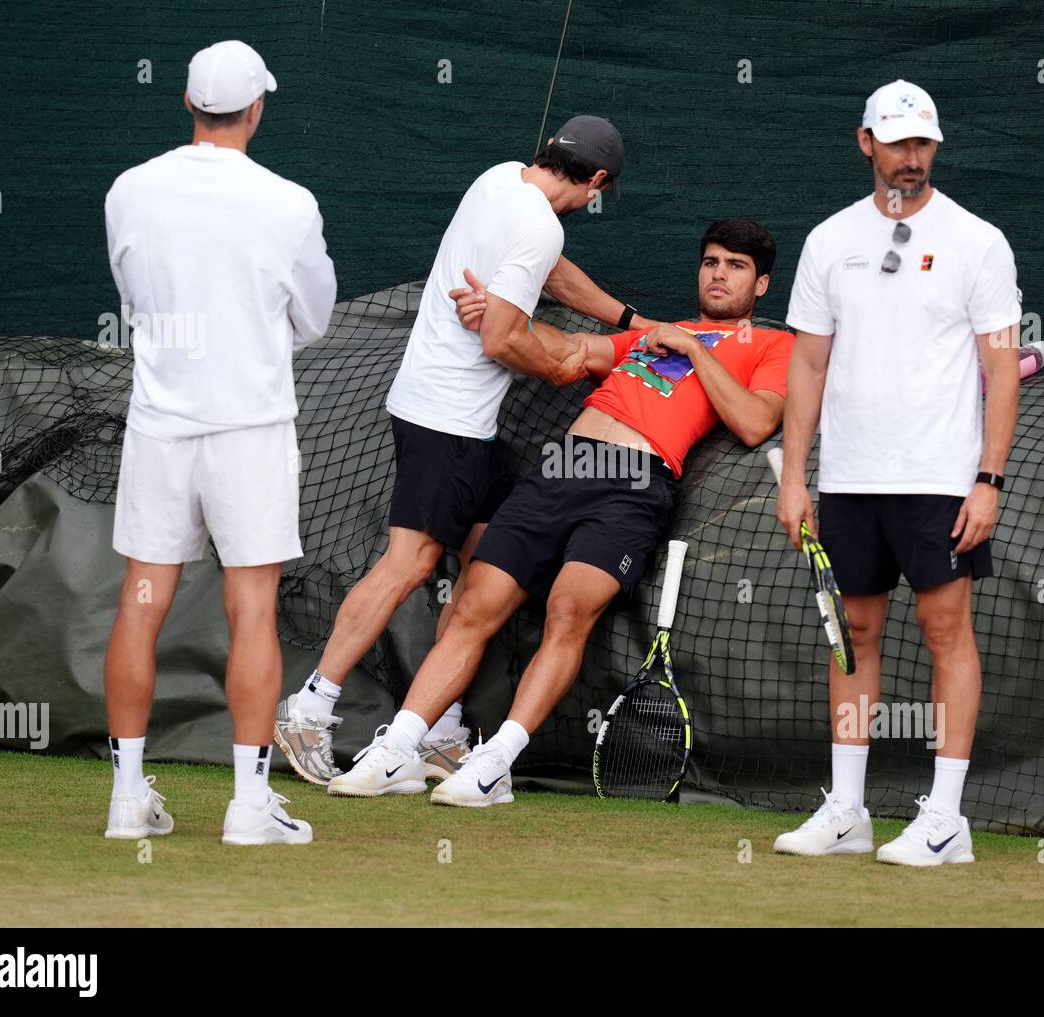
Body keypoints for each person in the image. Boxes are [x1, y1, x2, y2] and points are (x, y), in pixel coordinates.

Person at [327, 218, 794, 806]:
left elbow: (756, 422)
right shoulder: (659, 332)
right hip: (565, 466)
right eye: (711, 262)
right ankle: (398, 751)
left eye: (736, 266)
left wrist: (697, 349)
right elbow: (573, 350)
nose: (719, 274)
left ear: (762, 285)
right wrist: (499, 319)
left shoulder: (775, 344)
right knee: (474, 603)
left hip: (635, 483)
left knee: (568, 610)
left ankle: (494, 764)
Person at [274, 117, 659, 790]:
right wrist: (563, 364)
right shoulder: (542, 224)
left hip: (458, 421)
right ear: (595, 181)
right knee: (410, 562)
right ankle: (311, 706)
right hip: (445, 419)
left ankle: (442, 730)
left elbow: (553, 274)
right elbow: (503, 341)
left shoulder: (499, 180)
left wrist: (625, 321)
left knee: (481, 565)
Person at [772, 79, 1022, 866]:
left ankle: (947, 819)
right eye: (898, 142)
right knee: (855, 634)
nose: (911, 158)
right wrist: (794, 476)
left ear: (935, 148)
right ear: (866, 143)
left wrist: (990, 478)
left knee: (945, 629)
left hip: (942, 477)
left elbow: (1003, 366)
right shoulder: (827, 241)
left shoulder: (981, 241)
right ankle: (848, 808)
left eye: (923, 144)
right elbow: (806, 363)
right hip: (848, 478)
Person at [103, 41, 337, 845]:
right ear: (258, 108)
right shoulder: (290, 203)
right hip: (249, 430)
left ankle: (126, 797)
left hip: (161, 427)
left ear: (188, 102)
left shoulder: (128, 192)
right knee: (253, 608)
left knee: (141, 603)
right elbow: (314, 320)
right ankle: (247, 806)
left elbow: (134, 299)